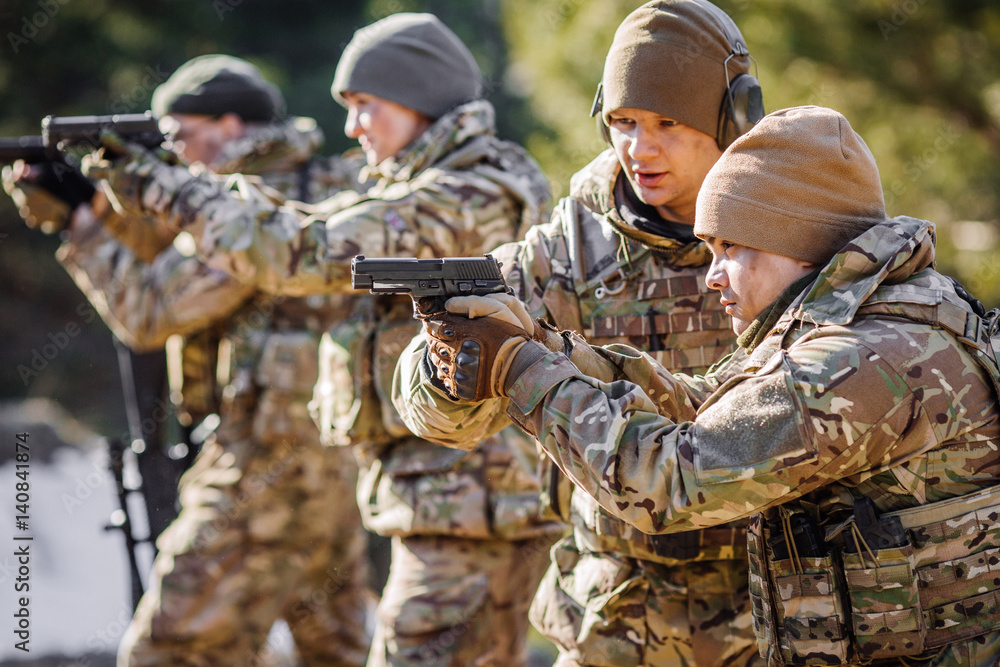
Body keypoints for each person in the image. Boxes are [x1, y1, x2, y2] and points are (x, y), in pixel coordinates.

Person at [405, 104, 1000, 666]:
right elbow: (703, 406)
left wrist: (520, 372)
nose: (712, 276)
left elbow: (673, 480)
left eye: (730, 246)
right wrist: (545, 345)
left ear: (795, 237)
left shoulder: (860, 361)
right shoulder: (873, 320)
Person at [84, 14, 561, 666]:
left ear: (419, 100)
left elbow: (307, 250)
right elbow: (300, 227)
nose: (352, 127)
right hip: (449, 501)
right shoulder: (427, 185)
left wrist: (168, 184)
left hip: (477, 507)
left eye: (367, 106)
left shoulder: (473, 193)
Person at [394, 2, 764, 665]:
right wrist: (450, 361)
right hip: (617, 621)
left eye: (667, 124)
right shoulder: (571, 245)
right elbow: (435, 415)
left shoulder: (791, 228)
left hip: (773, 617)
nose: (639, 149)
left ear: (732, 118)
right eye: (622, 122)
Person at [5, 54, 375, 666]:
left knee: (171, 651)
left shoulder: (252, 203)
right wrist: (87, 203)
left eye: (183, 135)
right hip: (327, 467)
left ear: (232, 127)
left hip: (262, 466)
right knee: (335, 654)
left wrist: (78, 226)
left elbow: (153, 310)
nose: (176, 154)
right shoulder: (311, 182)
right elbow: (160, 251)